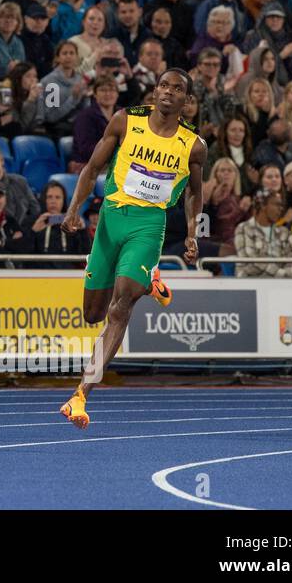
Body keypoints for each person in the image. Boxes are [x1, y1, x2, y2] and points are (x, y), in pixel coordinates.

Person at [58, 69, 205, 429]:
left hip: (148, 226)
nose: (169, 92)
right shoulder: (125, 121)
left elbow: (194, 192)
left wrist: (191, 234)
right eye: (164, 85)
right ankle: (151, 280)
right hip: (110, 221)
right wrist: (74, 208)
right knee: (92, 313)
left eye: (178, 89)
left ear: (187, 102)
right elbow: (93, 168)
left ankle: (81, 394)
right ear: (155, 91)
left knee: (120, 306)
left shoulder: (193, 145)